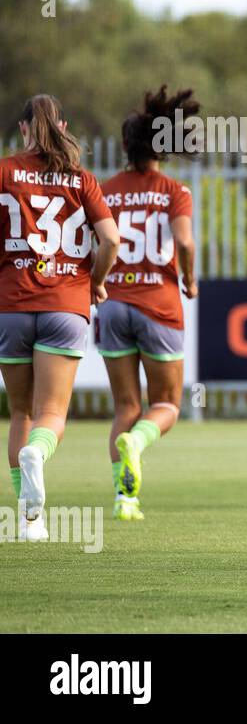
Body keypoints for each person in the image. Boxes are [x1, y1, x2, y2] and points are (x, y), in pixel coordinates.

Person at [0, 95, 120, 539]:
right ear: (63, 125)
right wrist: (96, 281)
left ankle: (30, 521)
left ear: (24, 129)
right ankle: (38, 454)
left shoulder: (4, 171)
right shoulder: (82, 179)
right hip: (65, 306)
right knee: (51, 413)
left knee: (19, 413)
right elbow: (110, 239)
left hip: (10, 306)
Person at [97, 86, 199, 520]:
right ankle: (138, 442)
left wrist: (96, 284)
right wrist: (190, 279)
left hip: (113, 304)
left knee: (125, 406)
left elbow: (96, 244)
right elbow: (184, 241)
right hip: (158, 306)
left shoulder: (104, 191)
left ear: (126, 146)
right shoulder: (174, 190)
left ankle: (125, 499)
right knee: (167, 406)